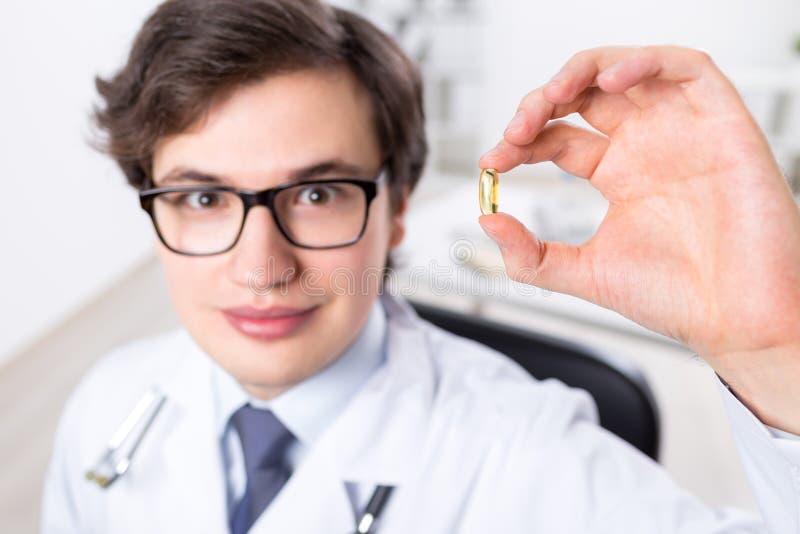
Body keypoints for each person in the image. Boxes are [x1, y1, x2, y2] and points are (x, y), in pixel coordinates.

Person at [41, 1, 800, 533]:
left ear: (398, 204)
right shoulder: (107, 409)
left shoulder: (526, 455)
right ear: (153, 211)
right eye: (203, 197)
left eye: (316, 192)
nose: (262, 267)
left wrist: (776, 353)